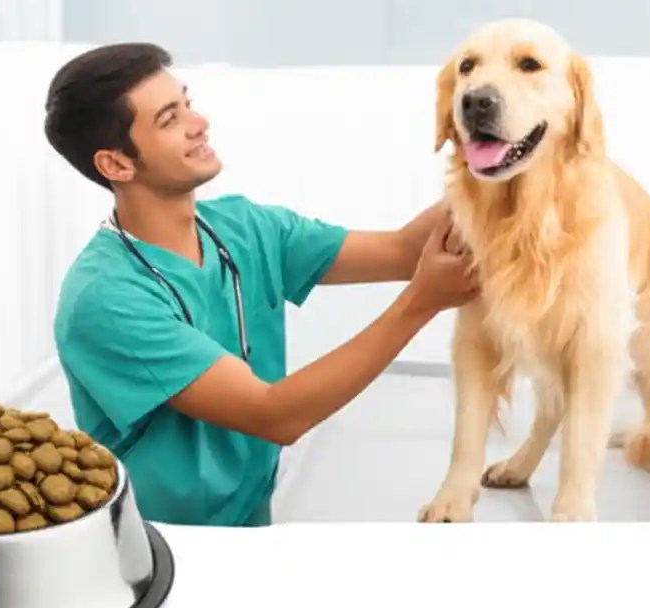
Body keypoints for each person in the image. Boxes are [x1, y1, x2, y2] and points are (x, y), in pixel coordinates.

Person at [43, 42, 478, 527]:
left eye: (187, 103)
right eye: (169, 119)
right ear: (116, 165)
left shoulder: (243, 227)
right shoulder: (106, 298)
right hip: (162, 542)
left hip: (251, 518)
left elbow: (402, 251)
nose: (199, 123)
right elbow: (274, 416)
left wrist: (490, 163)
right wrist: (420, 304)